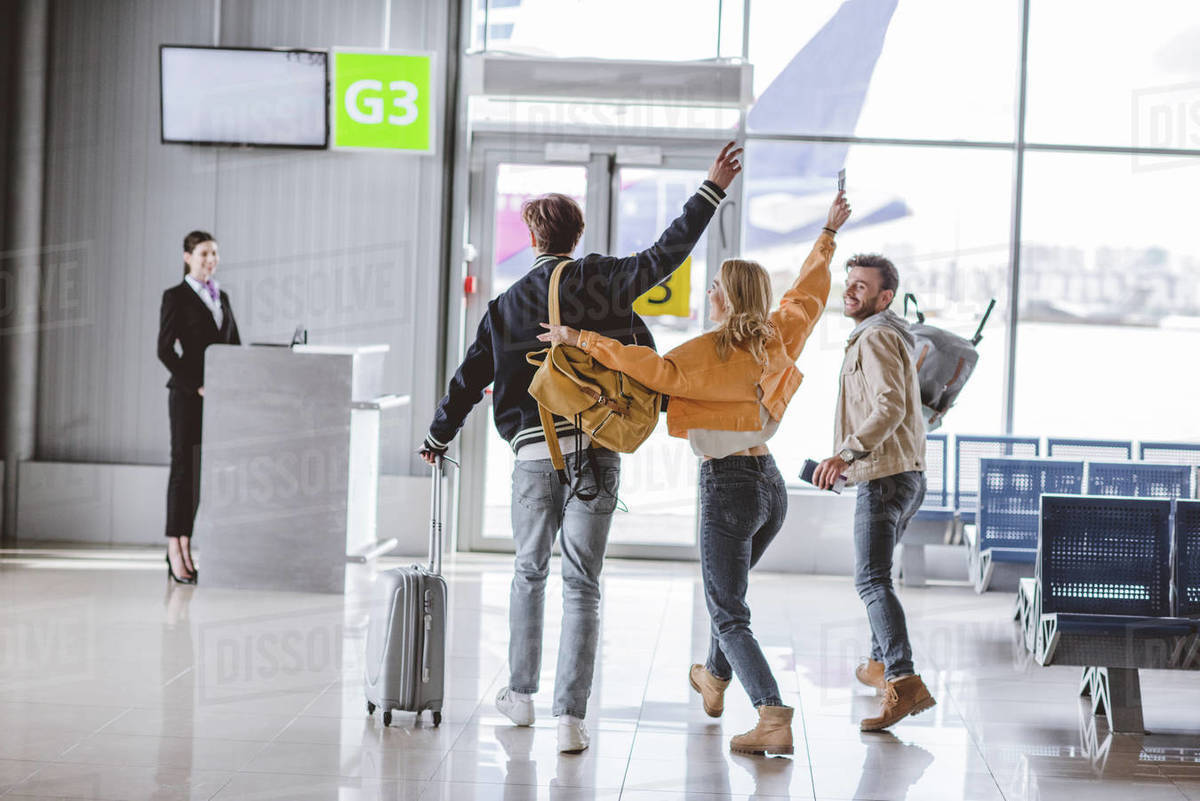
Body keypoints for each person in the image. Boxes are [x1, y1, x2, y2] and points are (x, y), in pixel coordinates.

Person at [419, 143, 744, 754]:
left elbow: (468, 378)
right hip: (598, 451)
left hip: (534, 456)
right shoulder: (605, 280)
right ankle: (571, 717)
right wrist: (710, 188)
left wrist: (438, 437)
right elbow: (667, 255)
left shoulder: (505, 305)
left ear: (533, 236)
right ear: (578, 233)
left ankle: (519, 695)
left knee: (527, 572)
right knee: (583, 584)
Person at [541, 192, 853, 756]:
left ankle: (771, 714)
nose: (708, 293)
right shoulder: (777, 333)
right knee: (726, 595)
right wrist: (827, 235)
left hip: (729, 486)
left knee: (727, 609)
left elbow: (649, 369)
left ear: (730, 295)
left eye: (715, 287)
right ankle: (713, 678)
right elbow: (807, 294)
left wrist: (577, 339)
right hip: (770, 487)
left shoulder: (708, 351)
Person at [812, 252, 935, 731]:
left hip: (884, 477)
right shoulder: (883, 335)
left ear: (885, 297)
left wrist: (846, 454)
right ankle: (879, 663)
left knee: (871, 580)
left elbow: (888, 406)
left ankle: (902, 681)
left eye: (862, 286)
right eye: (850, 283)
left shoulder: (878, 336)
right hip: (901, 474)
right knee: (877, 577)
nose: (850, 290)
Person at [156, 231, 241, 584]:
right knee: (182, 470)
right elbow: (165, 350)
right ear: (187, 257)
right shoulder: (175, 297)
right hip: (188, 397)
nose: (211, 260)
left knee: (198, 473)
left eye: (215, 253)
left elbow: (233, 346)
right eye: (205, 253)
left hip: (218, 400)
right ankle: (176, 549)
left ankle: (186, 545)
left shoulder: (222, 297)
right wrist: (197, 384)